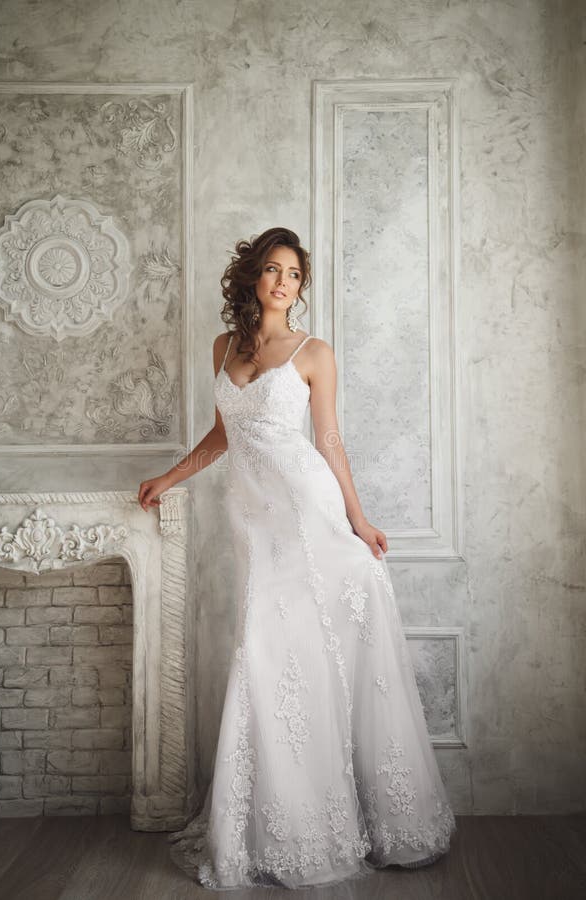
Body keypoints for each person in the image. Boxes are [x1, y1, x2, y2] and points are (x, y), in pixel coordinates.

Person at [138, 227, 456, 890]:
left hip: (308, 512)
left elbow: (330, 443)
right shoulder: (224, 346)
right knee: (270, 656)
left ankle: (352, 820)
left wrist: (359, 519)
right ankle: (280, 820)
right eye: (274, 271)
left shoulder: (314, 352)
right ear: (253, 277)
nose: (285, 283)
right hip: (253, 521)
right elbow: (226, 433)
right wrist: (170, 478)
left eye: (294, 275)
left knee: (307, 652)